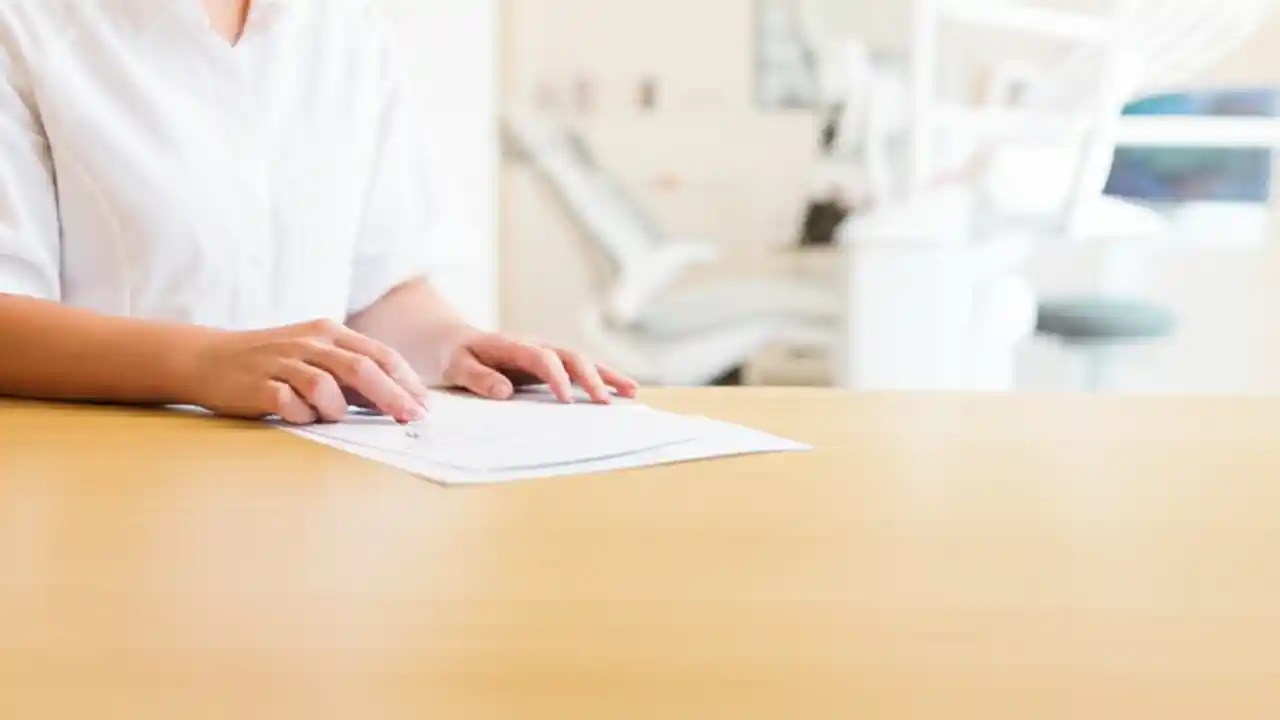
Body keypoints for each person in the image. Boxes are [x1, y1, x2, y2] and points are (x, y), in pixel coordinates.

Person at [0, 0, 638, 425]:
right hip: (101, 492)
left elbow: (377, 289)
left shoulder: (342, 27)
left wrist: (453, 345)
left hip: (316, 490)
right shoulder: (28, 24)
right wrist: (202, 364)